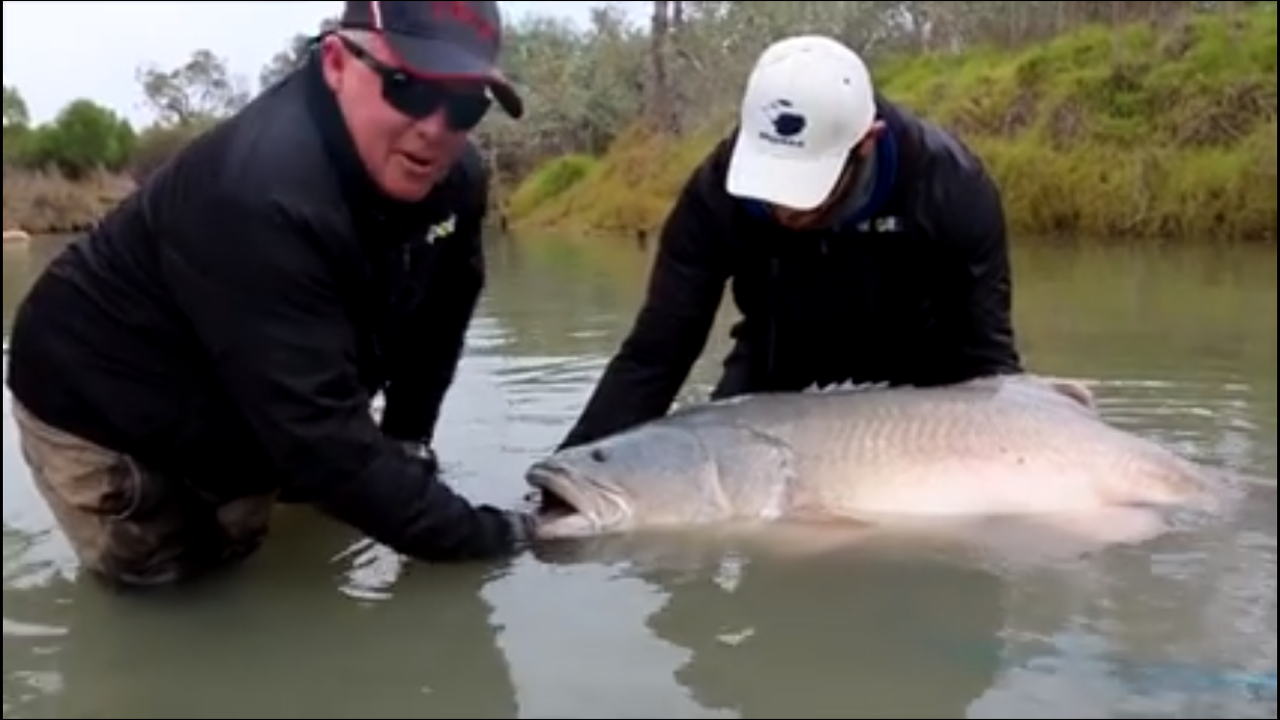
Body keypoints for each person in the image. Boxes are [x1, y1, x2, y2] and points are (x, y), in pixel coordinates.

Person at [5, 0, 538, 588]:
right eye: (407, 88)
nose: (436, 128)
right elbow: (321, 442)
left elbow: (438, 321)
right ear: (336, 62)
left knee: (324, 513)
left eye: (464, 105)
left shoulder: (456, 179)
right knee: (189, 594)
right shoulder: (258, 193)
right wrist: (501, 538)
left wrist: (408, 442)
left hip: (241, 374)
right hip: (99, 400)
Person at [558, 34, 1023, 451]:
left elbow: (987, 361)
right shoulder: (715, 194)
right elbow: (657, 355)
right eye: (771, 181)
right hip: (776, 370)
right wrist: (570, 474)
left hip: (926, 385)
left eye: (804, 186)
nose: (783, 208)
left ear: (866, 142)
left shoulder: (951, 186)